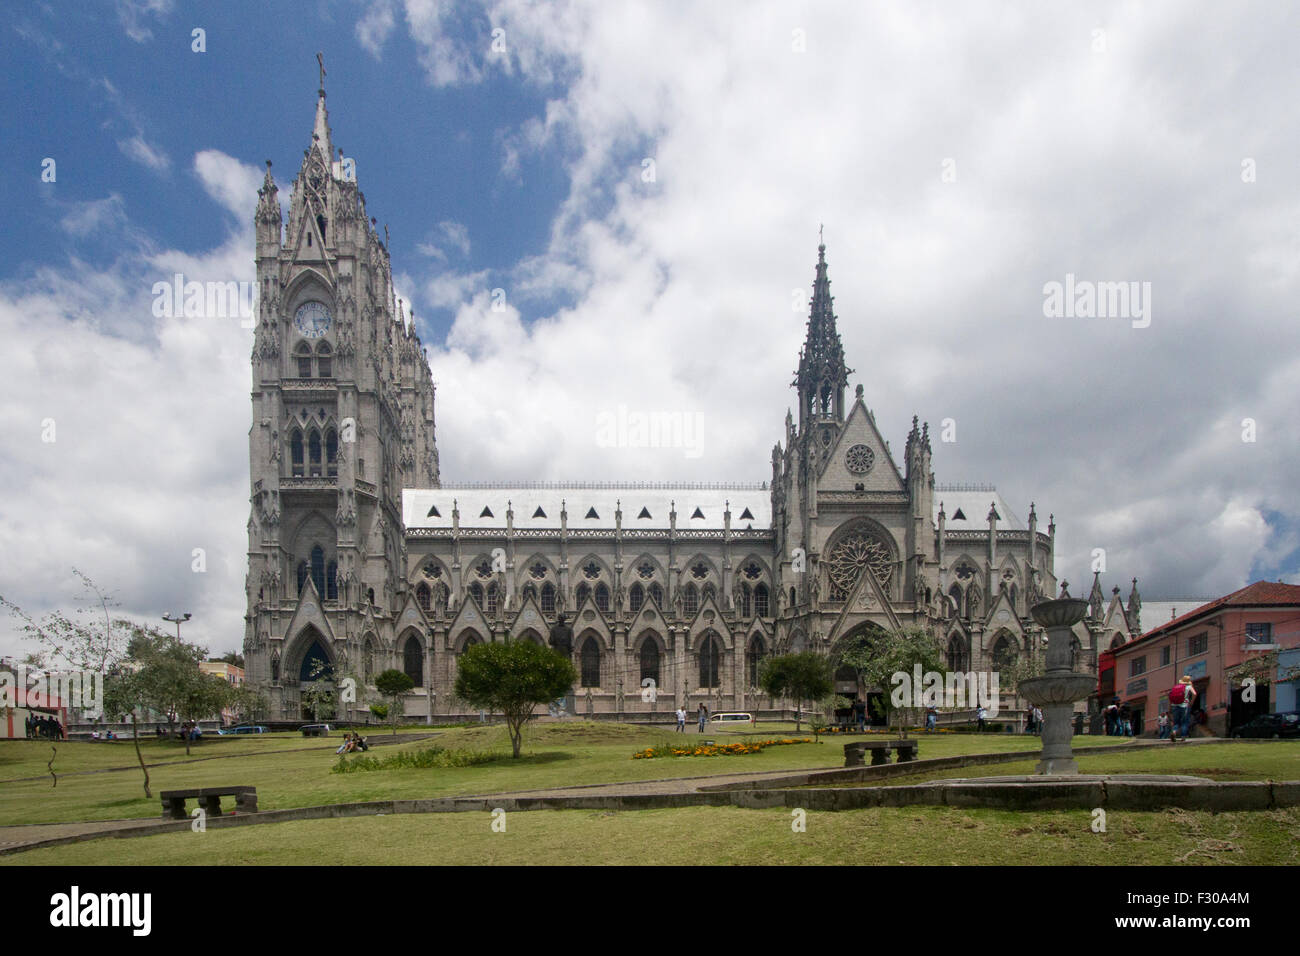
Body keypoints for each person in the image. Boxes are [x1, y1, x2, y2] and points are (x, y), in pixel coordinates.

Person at [1169, 676, 1195, 741]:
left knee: (1176, 722)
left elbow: (1170, 696)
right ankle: (1183, 736)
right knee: (1184, 722)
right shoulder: (1189, 687)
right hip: (1184, 706)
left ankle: (1174, 732)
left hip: (1174, 705)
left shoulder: (1175, 687)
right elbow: (1195, 694)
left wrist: (1170, 707)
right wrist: (1191, 702)